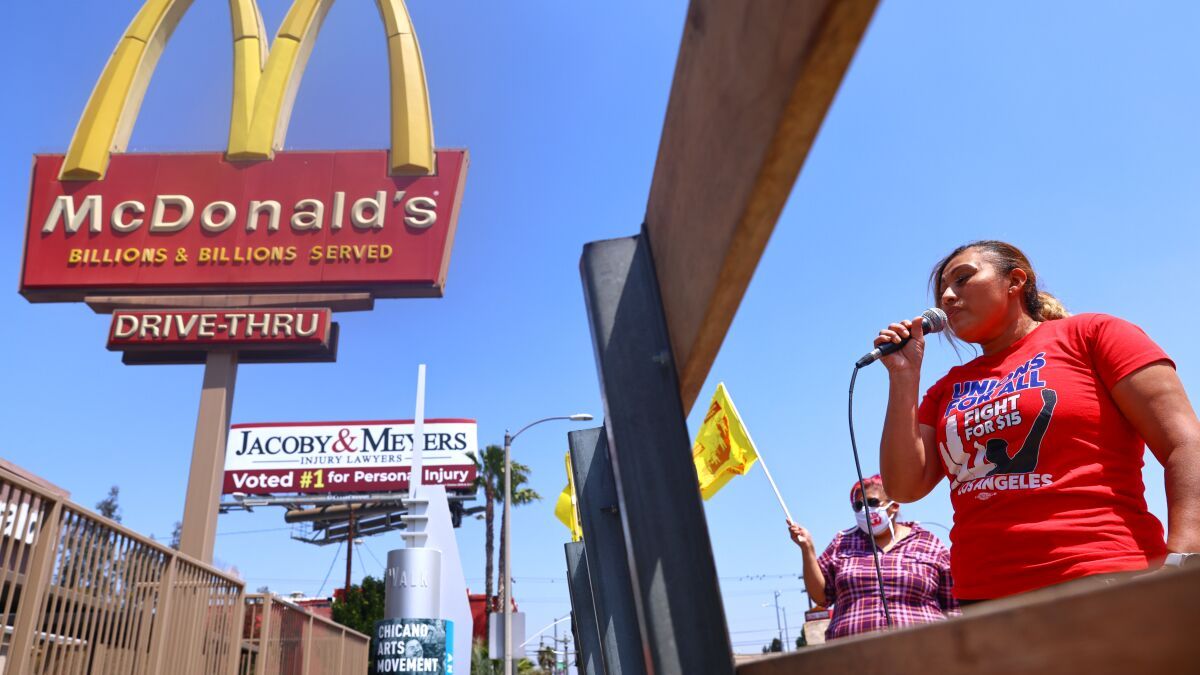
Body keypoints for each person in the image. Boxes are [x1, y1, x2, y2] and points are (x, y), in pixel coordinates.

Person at [875, 240, 1200, 602]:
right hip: (984, 600)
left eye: (963, 279)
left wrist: (1186, 557)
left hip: (1104, 578)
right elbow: (904, 487)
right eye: (942, 291)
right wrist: (904, 378)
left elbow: (1184, 444)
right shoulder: (946, 389)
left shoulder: (1093, 335)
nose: (948, 297)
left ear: (1015, 281)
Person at [787, 475, 958, 640]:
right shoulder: (842, 543)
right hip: (854, 659)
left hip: (924, 654)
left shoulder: (927, 542)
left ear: (895, 505)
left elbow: (954, 605)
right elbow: (821, 597)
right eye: (858, 506)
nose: (865, 510)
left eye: (872, 502)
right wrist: (807, 548)